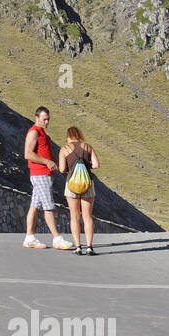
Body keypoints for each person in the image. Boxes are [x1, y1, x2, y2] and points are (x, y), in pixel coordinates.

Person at [23, 107, 74, 250]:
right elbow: (28, 154)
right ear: (36, 118)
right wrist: (47, 162)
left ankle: (29, 237)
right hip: (40, 173)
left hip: (42, 173)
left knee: (35, 206)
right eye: (44, 119)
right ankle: (57, 238)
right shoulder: (34, 132)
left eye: (48, 119)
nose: (47, 121)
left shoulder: (42, 133)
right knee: (48, 205)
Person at [58, 126, 101, 255]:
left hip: (71, 184)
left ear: (68, 137)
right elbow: (96, 165)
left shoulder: (64, 149)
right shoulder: (88, 147)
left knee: (75, 216)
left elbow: (61, 169)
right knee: (87, 217)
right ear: (79, 135)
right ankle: (89, 246)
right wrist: (86, 166)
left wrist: (70, 169)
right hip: (87, 184)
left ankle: (78, 247)